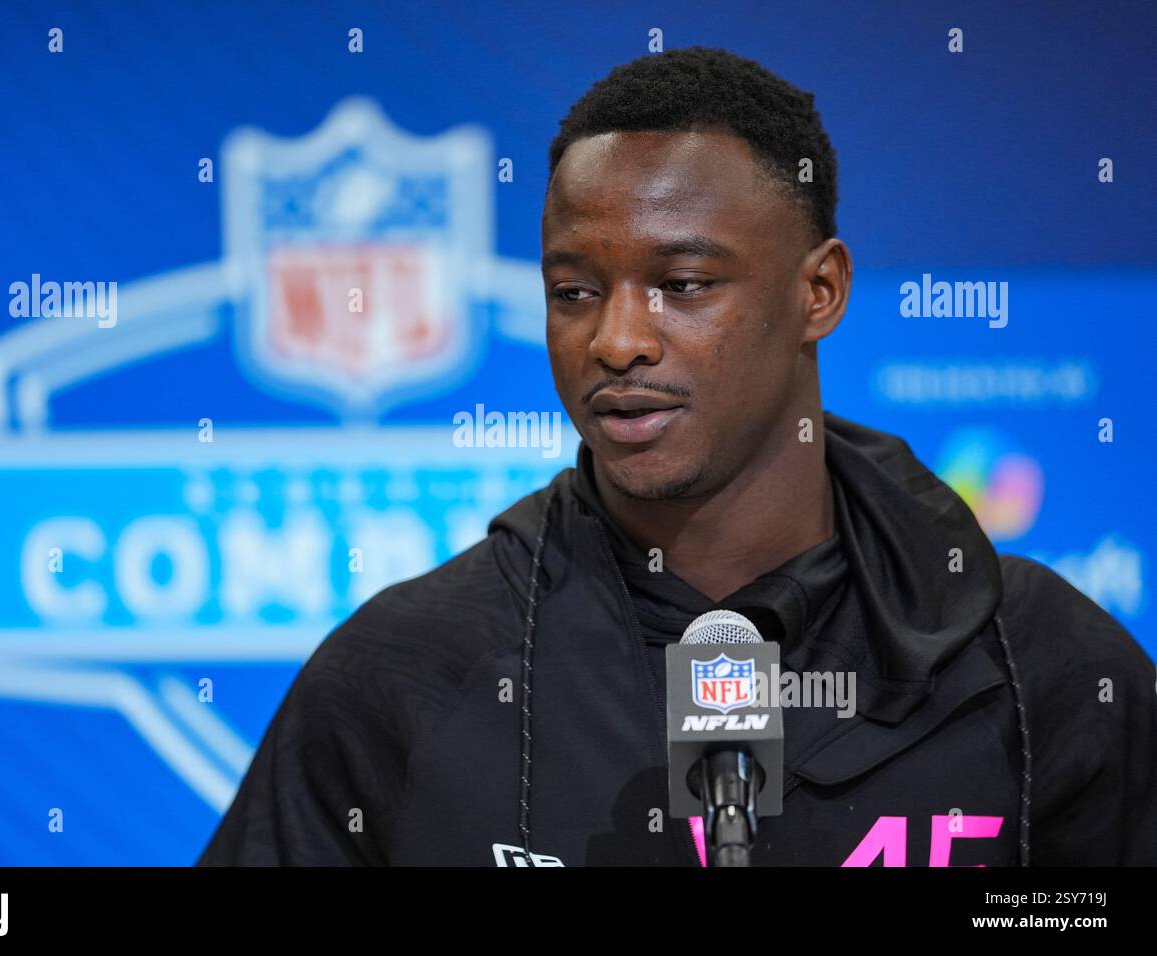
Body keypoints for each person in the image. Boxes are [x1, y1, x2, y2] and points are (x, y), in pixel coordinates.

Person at [198, 46, 1157, 866]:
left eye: (684, 283)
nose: (616, 340)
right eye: (574, 292)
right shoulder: (403, 678)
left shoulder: (1045, 669)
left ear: (819, 292)